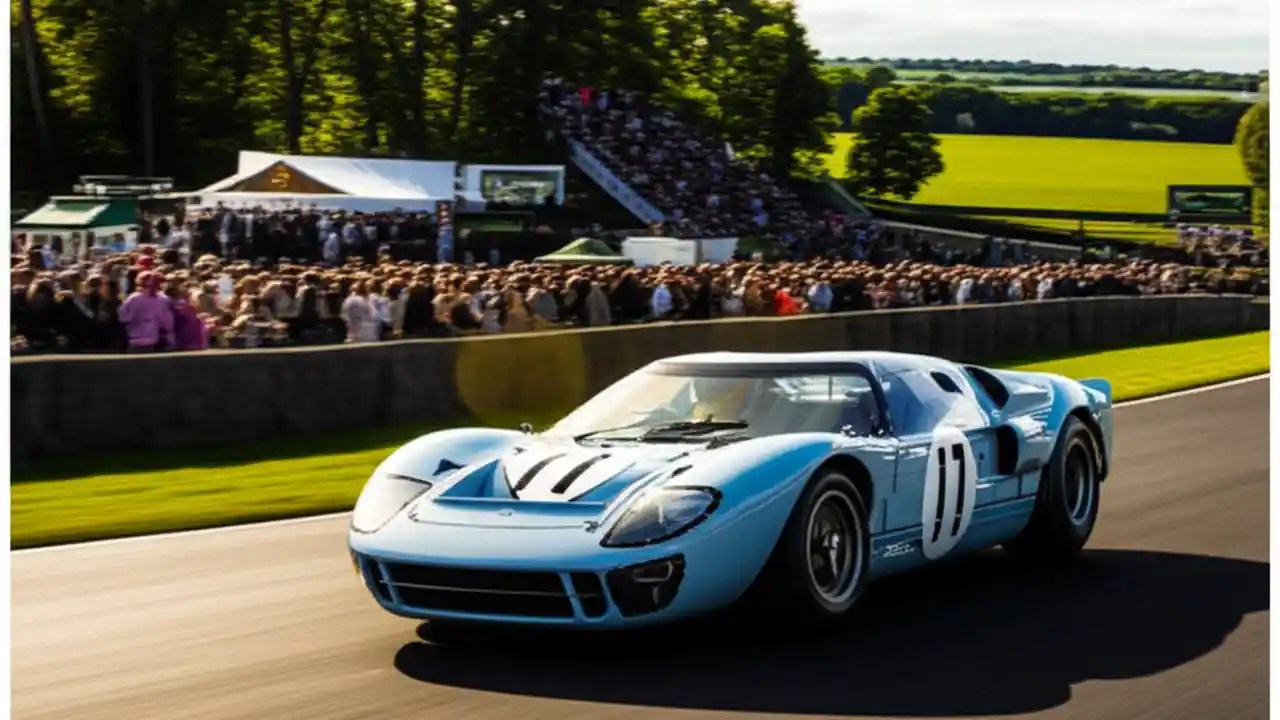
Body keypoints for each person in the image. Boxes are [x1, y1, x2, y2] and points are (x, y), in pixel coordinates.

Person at [117, 271, 174, 352]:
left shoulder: (133, 299)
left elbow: (123, 317)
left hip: (136, 340)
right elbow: (168, 324)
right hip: (152, 340)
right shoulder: (162, 300)